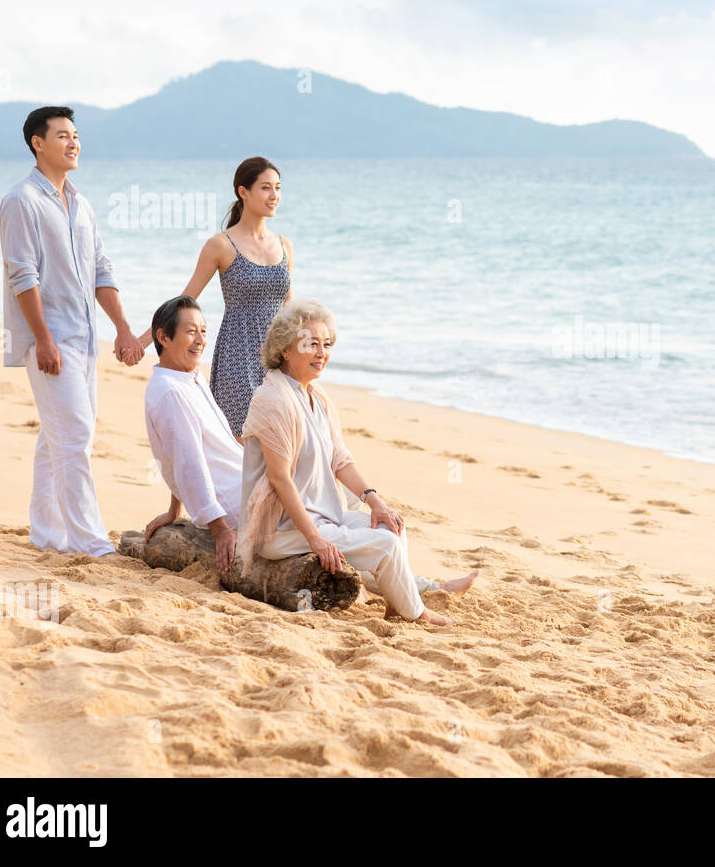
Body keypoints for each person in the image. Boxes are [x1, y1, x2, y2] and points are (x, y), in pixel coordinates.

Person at [237, 299, 476, 625]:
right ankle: (418, 614)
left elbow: (340, 459)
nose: (321, 352)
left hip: (323, 516)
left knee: (391, 526)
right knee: (387, 548)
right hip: (282, 529)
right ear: (285, 349)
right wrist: (315, 539)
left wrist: (375, 501)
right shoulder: (274, 399)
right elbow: (279, 479)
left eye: (326, 344)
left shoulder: (317, 397)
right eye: (311, 344)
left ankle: (397, 605)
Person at [0, 106, 142, 556]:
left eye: (75, 135)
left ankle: (47, 534)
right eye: (62, 135)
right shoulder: (21, 200)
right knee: (76, 434)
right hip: (50, 339)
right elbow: (22, 276)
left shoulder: (81, 203)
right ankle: (91, 541)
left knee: (57, 435)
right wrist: (42, 339)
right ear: (38, 143)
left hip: (85, 337)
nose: (73, 142)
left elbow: (100, 267)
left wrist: (121, 327)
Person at [137, 157, 292, 440]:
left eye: (278, 188)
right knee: (239, 445)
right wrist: (143, 341)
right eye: (266, 188)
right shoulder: (221, 245)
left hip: (278, 359)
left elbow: (290, 312)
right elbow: (185, 300)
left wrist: (306, 353)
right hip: (238, 356)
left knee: (280, 445)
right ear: (243, 192)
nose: (274, 196)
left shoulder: (284, 246)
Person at [142, 295, 242, 576]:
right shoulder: (171, 393)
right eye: (190, 331)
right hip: (239, 502)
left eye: (203, 331)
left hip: (248, 484)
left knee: (341, 495)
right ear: (163, 337)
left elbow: (184, 455)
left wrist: (175, 510)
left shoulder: (190, 378)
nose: (200, 340)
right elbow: (189, 463)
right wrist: (221, 530)